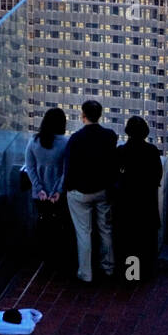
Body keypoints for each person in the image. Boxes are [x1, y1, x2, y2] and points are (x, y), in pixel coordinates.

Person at [64, 100, 118, 283]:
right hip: (103, 190)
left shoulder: (75, 139)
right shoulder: (110, 136)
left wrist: (70, 188)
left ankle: (86, 274)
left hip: (80, 192)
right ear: (100, 115)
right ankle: (108, 267)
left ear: (83, 116)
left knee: (83, 233)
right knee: (105, 230)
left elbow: (69, 168)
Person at [113, 116, 164, 279]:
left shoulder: (121, 152)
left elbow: (114, 177)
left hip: (126, 204)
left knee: (128, 241)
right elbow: (157, 177)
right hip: (146, 203)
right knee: (145, 241)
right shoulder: (152, 151)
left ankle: (130, 274)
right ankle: (144, 273)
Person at [24, 108, 71, 271]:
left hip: (40, 195)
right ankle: (58, 260)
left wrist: (40, 190)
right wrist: (57, 191)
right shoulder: (65, 143)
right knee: (59, 226)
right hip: (58, 195)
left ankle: (43, 260)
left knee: (42, 224)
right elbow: (66, 171)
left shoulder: (34, 141)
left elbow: (30, 168)